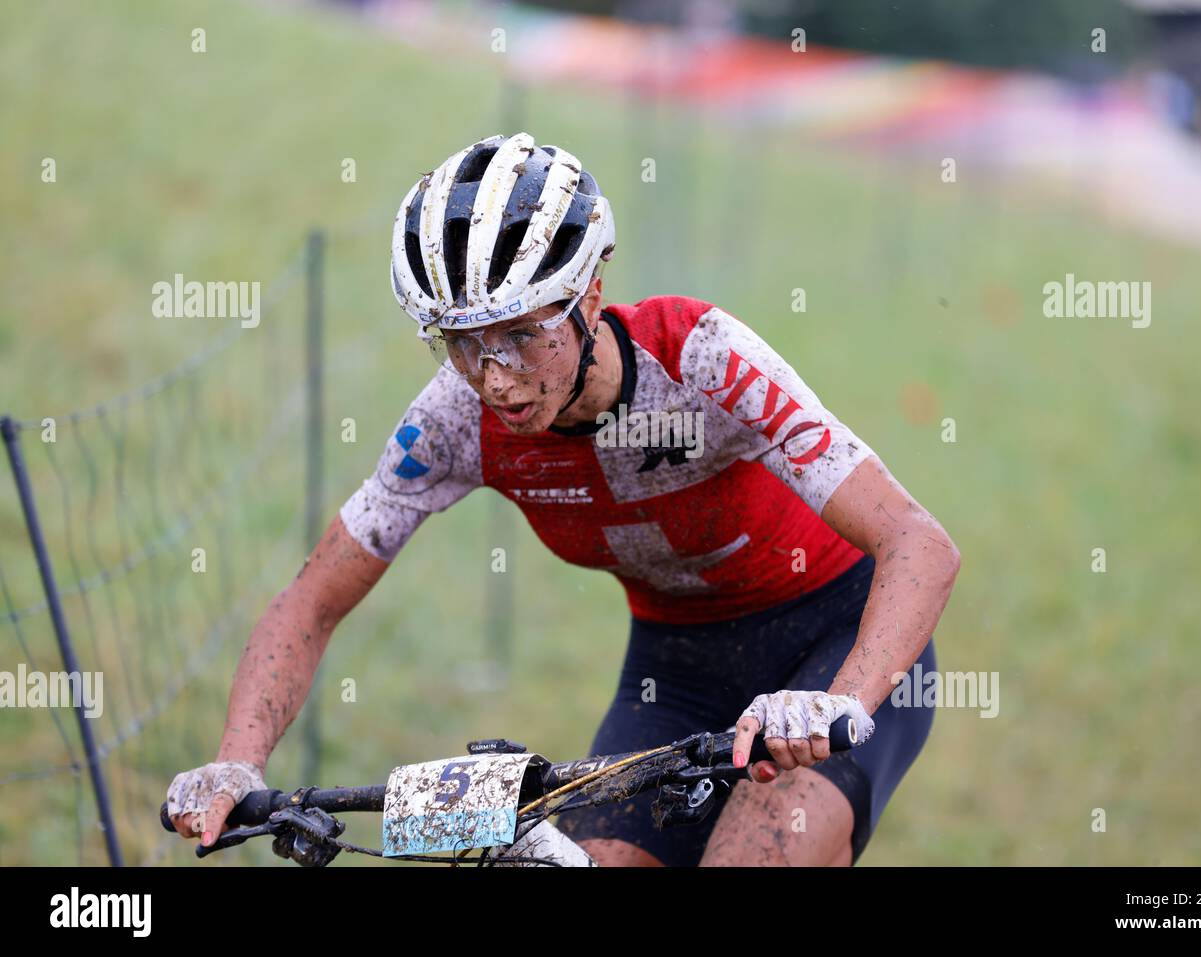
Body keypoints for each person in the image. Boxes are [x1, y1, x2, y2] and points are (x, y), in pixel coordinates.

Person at [167, 131, 960, 866]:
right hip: (676, 673)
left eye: (519, 333)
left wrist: (838, 702)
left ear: (588, 296)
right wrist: (238, 757)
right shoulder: (452, 420)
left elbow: (920, 544)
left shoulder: (701, 357)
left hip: (834, 637)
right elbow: (311, 601)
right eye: (462, 342)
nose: (495, 377)